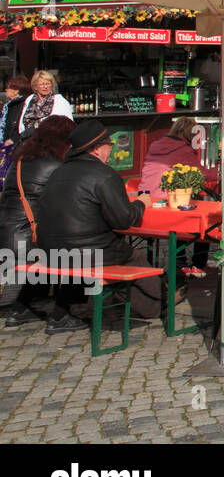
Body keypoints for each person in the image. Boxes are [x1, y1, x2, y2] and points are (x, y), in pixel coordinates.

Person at [38, 121, 163, 327]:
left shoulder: (57, 173)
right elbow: (124, 221)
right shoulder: (104, 175)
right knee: (134, 255)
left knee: (100, 256)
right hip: (91, 253)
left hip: (51, 250)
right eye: (109, 144)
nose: (111, 149)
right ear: (96, 149)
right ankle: (160, 302)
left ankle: (84, 304)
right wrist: (141, 203)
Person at [0, 116, 75, 326]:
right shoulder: (55, 164)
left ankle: (20, 308)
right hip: (25, 240)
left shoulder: (22, 159)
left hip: (8, 233)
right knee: (77, 245)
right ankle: (62, 313)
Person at [140, 117, 218, 195]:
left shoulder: (156, 146)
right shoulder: (182, 150)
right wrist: (223, 171)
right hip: (164, 199)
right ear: (190, 134)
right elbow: (202, 174)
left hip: (144, 195)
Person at [17, 70, 74, 137]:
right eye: (42, 84)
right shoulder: (29, 99)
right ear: (35, 86)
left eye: (48, 84)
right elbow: (22, 122)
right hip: (29, 141)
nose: (45, 87)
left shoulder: (59, 101)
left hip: (51, 142)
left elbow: (68, 124)